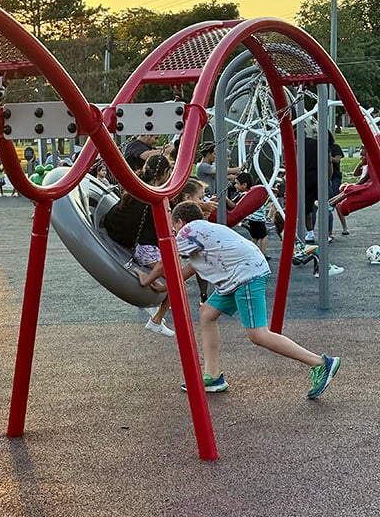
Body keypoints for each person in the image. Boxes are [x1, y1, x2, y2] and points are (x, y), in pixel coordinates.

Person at [169, 202, 340, 398]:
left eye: (174, 227)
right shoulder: (204, 232)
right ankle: (213, 375)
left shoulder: (190, 231)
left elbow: (165, 261)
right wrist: (166, 287)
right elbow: (189, 268)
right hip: (237, 276)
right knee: (207, 313)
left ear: (180, 222)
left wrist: (149, 280)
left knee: (258, 334)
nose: (174, 232)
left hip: (246, 276)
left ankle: (320, 363)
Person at [103, 154, 175, 337]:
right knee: (176, 280)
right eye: (169, 172)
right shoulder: (155, 197)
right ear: (165, 172)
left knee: (168, 273)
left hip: (115, 230)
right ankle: (156, 320)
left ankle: (152, 299)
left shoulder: (138, 187)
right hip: (135, 244)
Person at [233, 171, 270, 258]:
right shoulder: (250, 194)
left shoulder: (246, 194)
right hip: (258, 219)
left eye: (236, 183)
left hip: (252, 219)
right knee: (264, 236)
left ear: (244, 185)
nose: (234, 185)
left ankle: (251, 252)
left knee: (255, 237)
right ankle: (262, 254)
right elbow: (234, 205)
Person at [327, 132, 348, 237]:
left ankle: (344, 226)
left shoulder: (335, 147)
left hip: (335, 177)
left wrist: (327, 157)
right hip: (324, 177)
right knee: (326, 202)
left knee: (336, 201)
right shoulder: (318, 147)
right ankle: (329, 231)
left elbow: (337, 160)